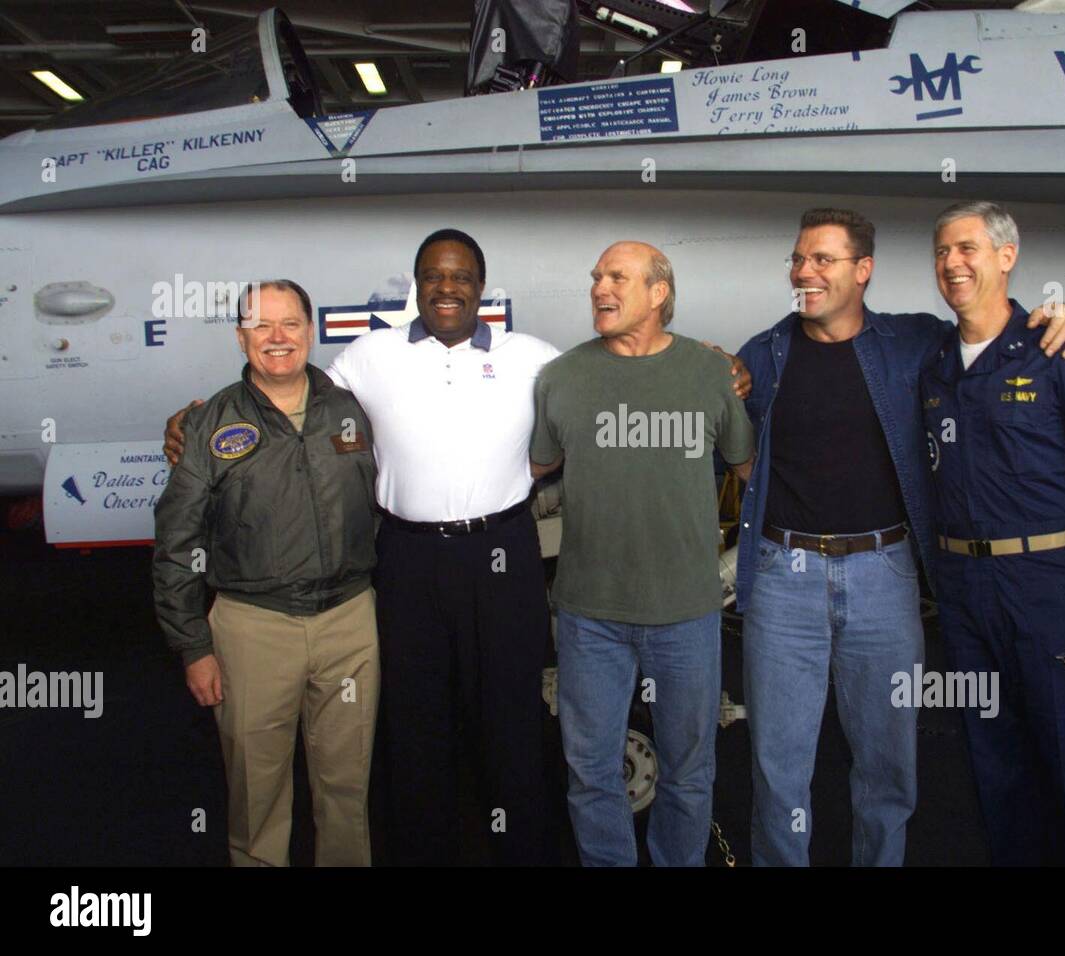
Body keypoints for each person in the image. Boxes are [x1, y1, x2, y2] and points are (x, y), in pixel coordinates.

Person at [164, 231, 752, 865]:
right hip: (406, 561)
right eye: (433, 276)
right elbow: (291, 396)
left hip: (502, 555)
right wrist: (196, 421)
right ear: (417, 285)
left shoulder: (536, 358)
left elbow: (618, 373)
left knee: (512, 722)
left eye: (461, 276)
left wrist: (724, 370)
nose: (447, 287)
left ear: (481, 286)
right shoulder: (369, 356)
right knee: (413, 727)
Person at [733, 208, 1065, 866]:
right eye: (797, 259)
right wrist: (705, 370)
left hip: (885, 575)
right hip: (784, 576)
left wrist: (1057, 317)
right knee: (778, 768)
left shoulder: (912, 343)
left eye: (822, 260)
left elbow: (990, 328)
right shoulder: (766, 353)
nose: (804, 272)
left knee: (887, 765)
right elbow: (726, 441)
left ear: (863, 271)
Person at [921, 201, 1065, 866]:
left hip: (1051, 590)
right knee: (998, 773)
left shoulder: (1059, 349)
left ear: (1005, 256)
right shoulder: (933, 362)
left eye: (966, 248)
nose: (952, 264)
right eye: (942, 252)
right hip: (965, 593)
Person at [530, 241, 754, 866]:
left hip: (687, 614)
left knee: (689, 771)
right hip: (588, 616)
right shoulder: (562, 377)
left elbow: (746, 463)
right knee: (591, 771)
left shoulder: (710, 372)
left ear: (659, 293)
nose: (600, 286)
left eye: (617, 277)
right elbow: (537, 465)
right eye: (596, 275)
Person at [153, 280, 380, 867]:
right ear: (241, 337)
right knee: (257, 798)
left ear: (311, 330)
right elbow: (177, 542)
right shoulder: (210, 424)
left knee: (347, 790)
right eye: (261, 326)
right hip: (254, 628)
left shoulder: (351, 406)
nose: (277, 338)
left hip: (350, 624)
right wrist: (192, 645)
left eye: (290, 324)